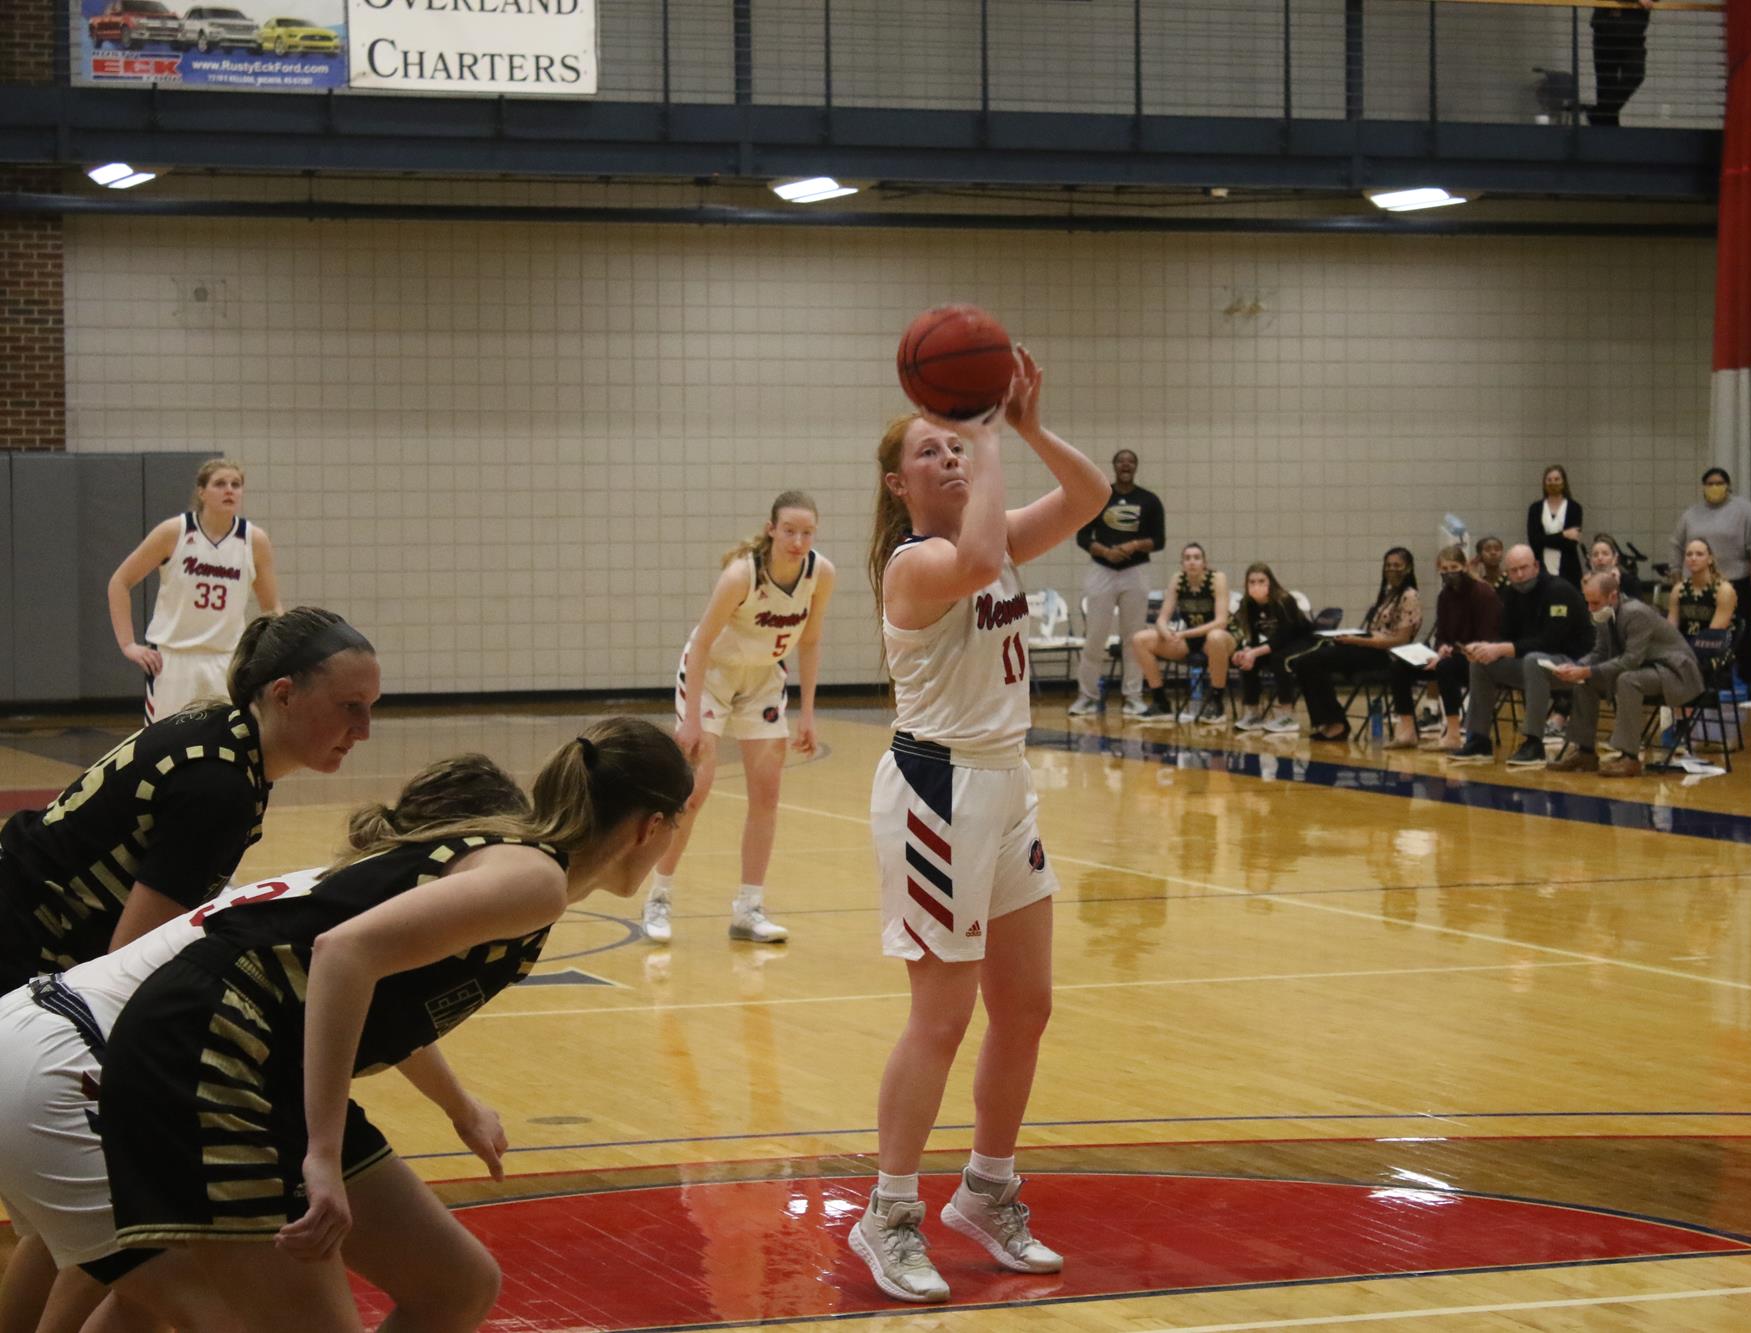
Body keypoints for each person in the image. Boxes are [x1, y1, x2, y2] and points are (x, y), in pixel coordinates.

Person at [89, 718, 693, 1332]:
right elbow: (343, 954)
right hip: (210, 1043)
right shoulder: (534, 880)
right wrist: (321, 1154)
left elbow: (379, 987)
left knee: (457, 1286)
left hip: (255, 1054)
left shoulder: (525, 866)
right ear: (652, 826)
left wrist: (460, 1105)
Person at [0, 756, 530, 1333]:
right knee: (207, 1301)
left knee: (457, 1285)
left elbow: (379, 1018)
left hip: (65, 1043)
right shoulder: (373, 912)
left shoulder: (360, 892)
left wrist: (459, 1106)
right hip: (81, 1056)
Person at [852, 349, 1106, 1304]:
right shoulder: (918, 565)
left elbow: (1084, 500)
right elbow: (987, 556)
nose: (953, 460)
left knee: (1027, 1007)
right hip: (937, 793)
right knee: (942, 1016)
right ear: (897, 481)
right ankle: (887, 1212)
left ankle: (987, 1190)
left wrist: (1029, 429)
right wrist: (986, 427)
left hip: (1007, 785)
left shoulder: (984, 545)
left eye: (959, 448)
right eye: (934, 450)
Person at [0, 607, 378, 991]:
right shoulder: (220, 787)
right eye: (350, 706)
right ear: (284, 695)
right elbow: (126, 965)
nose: (364, 730)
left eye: (371, 707)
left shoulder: (220, 734)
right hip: (22, 943)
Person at [643, 491, 834, 946]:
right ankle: (659, 897)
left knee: (766, 794)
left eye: (807, 532)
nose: (798, 540)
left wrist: (808, 712)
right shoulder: (741, 575)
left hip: (764, 679)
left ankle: (749, 908)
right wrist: (690, 720)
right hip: (711, 676)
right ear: (771, 529)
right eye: (789, 530)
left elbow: (809, 642)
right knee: (695, 792)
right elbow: (703, 645)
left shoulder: (819, 574)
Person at [107, 458, 282, 725]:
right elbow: (119, 582)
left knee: (226, 745)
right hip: (172, 658)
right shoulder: (174, 532)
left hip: (226, 659)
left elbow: (271, 608)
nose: (229, 490)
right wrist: (128, 644)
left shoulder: (254, 540)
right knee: (162, 746)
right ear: (201, 492)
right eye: (220, 483)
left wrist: (279, 654)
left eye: (236, 485)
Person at [1450, 544, 1593, 768]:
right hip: (1534, 665)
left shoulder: (1558, 591)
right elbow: (1507, 636)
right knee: (1482, 664)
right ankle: (1478, 739)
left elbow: (1550, 642)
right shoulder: (1512, 594)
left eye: (1523, 568)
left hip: (1572, 665)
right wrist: (1485, 648)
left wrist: (1502, 649)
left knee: (1534, 660)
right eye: (1513, 570)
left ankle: (1534, 744)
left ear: (1536, 566)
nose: (1519, 575)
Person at [1549, 571, 1703, 777]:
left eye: (1595, 603)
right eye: (1588, 603)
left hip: (1675, 671)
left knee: (1628, 680)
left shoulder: (1636, 613)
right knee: (1584, 681)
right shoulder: (1605, 613)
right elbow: (1600, 653)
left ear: (1613, 596)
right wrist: (1575, 667)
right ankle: (1584, 751)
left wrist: (1587, 670)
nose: (1590, 608)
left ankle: (1630, 758)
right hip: (1648, 668)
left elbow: (1631, 660)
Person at [1067, 449, 1166, 718]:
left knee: (1133, 639)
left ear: (1136, 467)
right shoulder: (1100, 497)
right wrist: (1106, 552)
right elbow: (1083, 536)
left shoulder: (1150, 500)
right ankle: (1087, 696)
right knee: (1095, 638)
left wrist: (1134, 544)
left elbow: (1159, 540)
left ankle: (1133, 697)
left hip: (1136, 571)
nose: (1126, 465)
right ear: (1114, 466)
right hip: (1102, 570)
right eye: (1121, 461)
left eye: (1131, 461)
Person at [1287, 548, 1422, 744]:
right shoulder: (1388, 593)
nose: (1392, 569)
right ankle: (1330, 720)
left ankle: (1336, 723)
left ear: (1408, 568)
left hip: (1386, 654)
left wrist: (1356, 640)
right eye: (1388, 565)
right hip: (1368, 646)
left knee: (1312, 662)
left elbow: (1399, 640)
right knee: (1304, 662)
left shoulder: (1409, 596)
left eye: (1397, 566)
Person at [1396, 545, 1503, 754]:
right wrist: (1441, 648)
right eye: (1444, 569)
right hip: (1451, 654)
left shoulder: (1483, 593)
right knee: (1399, 666)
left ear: (1464, 566)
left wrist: (1451, 651)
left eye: (1453, 567)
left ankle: (1453, 733)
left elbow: (1487, 636)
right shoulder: (1444, 596)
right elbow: (1442, 633)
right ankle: (1407, 730)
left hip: (1477, 658)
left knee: (1445, 668)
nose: (1449, 572)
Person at [1669, 467, 1751, 689]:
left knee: (1735, 636)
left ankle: (1742, 680)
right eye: (1710, 484)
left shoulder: (1744, 510)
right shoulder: (1690, 515)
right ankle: (1692, 676)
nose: (1715, 488)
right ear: (1703, 487)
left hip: (1735, 581)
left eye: (1719, 483)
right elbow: (1676, 545)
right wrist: (1676, 576)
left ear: (1727, 485)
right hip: (1695, 585)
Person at [1127, 543, 1230, 725]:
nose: (1192, 562)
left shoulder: (1217, 578)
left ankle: (1217, 703)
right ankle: (1161, 702)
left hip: (1222, 637)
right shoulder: (1178, 579)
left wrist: (1184, 634)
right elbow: (1161, 619)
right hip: (1190, 639)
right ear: (1182, 563)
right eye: (1187, 558)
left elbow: (1221, 621)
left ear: (1204, 562)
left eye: (1197, 558)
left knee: (1215, 637)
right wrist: (1166, 632)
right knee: (1139, 639)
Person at [1225, 563, 1313, 736]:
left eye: (1261, 581)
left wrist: (1254, 652)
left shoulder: (1283, 600)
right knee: (1248, 660)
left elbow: (1284, 637)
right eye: (1252, 582)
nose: (1256, 585)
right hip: (1278, 642)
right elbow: (1252, 635)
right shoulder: (1248, 604)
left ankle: (1288, 716)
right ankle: (1253, 713)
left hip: (1302, 641)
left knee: (1279, 659)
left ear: (1270, 582)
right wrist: (1245, 651)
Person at [1589, 0, 1655, 126]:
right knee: (1606, 84)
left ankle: (1600, 114)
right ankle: (1606, 125)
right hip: (1606, 29)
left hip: (1633, 32)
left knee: (1635, 74)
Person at [1526, 465, 1584, 588]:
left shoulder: (1574, 508)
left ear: (1564, 482)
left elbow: (1571, 544)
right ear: (1544, 483)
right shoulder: (1535, 508)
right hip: (1541, 567)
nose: (1553, 483)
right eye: (1549, 480)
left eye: (1557, 479)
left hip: (1569, 568)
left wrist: (1545, 539)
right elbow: (1534, 541)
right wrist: (1563, 535)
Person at [1587, 533, 1644, 601]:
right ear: (1591, 560)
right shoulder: (1587, 583)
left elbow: (1637, 609)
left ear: (1614, 558)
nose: (1600, 558)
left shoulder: (1629, 581)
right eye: (1595, 555)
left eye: (1605, 554)